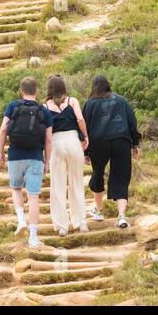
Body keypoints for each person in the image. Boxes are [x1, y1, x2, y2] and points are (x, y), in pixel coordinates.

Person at [0, 76, 53, 249]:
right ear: (36, 91)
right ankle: (33, 237)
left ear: (22, 91)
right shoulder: (44, 111)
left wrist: (0, 152)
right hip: (35, 156)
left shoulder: (13, 106)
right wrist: (47, 161)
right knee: (33, 196)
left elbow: (3, 129)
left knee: (16, 189)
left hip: (15, 154)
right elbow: (49, 139)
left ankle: (21, 220)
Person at [82, 75, 141, 229]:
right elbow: (131, 121)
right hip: (121, 141)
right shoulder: (121, 100)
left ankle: (99, 211)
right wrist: (136, 143)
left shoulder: (90, 104)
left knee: (98, 173)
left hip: (98, 143)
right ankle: (121, 216)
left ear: (94, 87)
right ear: (108, 85)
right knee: (121, 177)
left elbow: (84, 128)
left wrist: (86, 152)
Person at [44, 75, 90, 236]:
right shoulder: (72, 101)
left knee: (58, 185)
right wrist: (85, 136)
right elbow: (80, 119)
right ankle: (80, 222)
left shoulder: (45, 105)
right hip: (72, 141)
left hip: (56, 143)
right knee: (76, 182)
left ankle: (62, 225)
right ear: (63, 87)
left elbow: (46, 131)